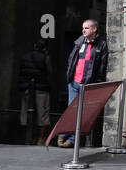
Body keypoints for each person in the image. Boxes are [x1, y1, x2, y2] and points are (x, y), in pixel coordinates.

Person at [60, 19, 109, 147]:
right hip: (74, 83)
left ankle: (71, 140)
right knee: (72, 110)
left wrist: (97, 84)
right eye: (83, 28)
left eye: (87, 28)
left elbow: (102, 66)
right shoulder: (79, 41)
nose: (83, 30)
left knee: (82, 113)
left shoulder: (101, 45)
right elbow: (71, 60)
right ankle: (64, 134)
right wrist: (68, 77)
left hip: (88, 85)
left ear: (94, 29)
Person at [18, 39, 53, 146]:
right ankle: (40, 139)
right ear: (45, 48)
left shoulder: (25, 57)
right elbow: (49, 71)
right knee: (43, 115)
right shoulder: (45, 58)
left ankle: (27, 137)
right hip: (41, 88)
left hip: (27, 88)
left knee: (25, 113)